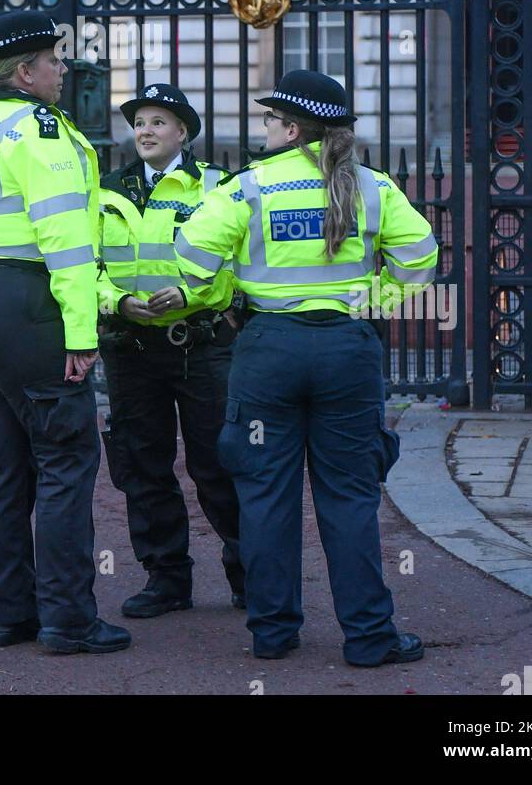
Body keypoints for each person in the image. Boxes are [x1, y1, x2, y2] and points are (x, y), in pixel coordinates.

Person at [176, 69, 438, 666]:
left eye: (271, 119)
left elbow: (191, 256)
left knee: (265, 494)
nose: (264, 127)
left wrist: (224, 297)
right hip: (347, 349)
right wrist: (372, 301)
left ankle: (272, 632)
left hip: (268, 348)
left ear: (292, 128)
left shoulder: (249, 186)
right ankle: (370, 638)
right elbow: (420, 257)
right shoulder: (372, 185)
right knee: (349, 496)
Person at [0, 11, 131, 654]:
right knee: (65, 457)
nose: (63, 67)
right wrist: (82, 334)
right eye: (54, 58)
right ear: (25, 71)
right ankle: (68, 620)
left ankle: (7, 614)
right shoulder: (38, 130)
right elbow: (66, 241)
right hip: (24, 301)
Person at [97, 83, 245, 617]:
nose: (146, 130)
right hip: (129, 347)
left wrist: (190, 293)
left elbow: (233, 262)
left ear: (183, 132)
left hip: (199, 345)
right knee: (142, 466)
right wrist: (115, 301)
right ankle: (166, 579)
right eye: (139, 122)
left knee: (219, 464)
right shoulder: (105, 189)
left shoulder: (217, 187)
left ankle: (248, 575)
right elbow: (84, 264)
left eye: (159, 122)